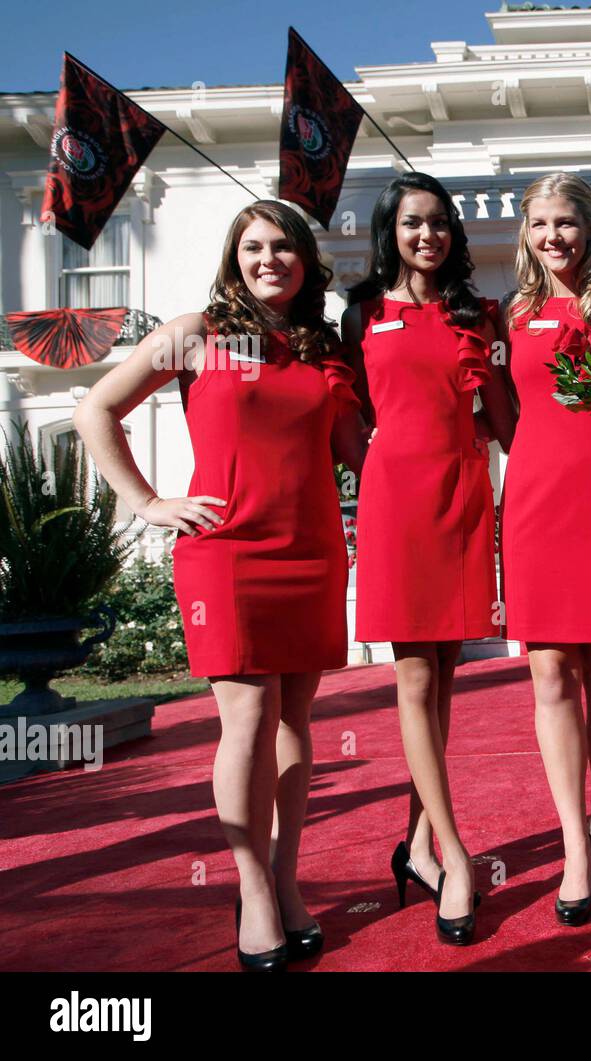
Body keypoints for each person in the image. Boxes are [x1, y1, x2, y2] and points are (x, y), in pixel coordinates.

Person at [73, 201, 368, 970]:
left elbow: (364, 455)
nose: (270, 259)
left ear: (307, 259)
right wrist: (148, 501)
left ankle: (284, 876)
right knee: (248, 719)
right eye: (255, 247)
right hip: (225, 552)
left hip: (310, 551)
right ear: (235, 256)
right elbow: (95, 408)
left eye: (285, 248)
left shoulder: (319, 348)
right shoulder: (194, 332)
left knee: (295, 718)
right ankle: (254, 891)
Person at [342, 173, 516, 946]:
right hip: (395, 507)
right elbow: (343, 414)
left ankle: (415, 844)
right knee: (415, 677)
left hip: (462, 499)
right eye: (413, 223)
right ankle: (454, 854)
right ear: (392, 230)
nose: (427, 236)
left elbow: (510, 417)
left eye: (439, 224)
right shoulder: (361, 313)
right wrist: (372, 464)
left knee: (444, 680)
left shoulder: (480, 314)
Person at [501, 173, 591, 924]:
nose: (553, 236)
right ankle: (573, 848)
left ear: (589, 228)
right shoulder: (511, 314)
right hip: (533, 502)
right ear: (524, 231)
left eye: (566, 222)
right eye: (539, 223)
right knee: (550, 674)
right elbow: (503, 415)